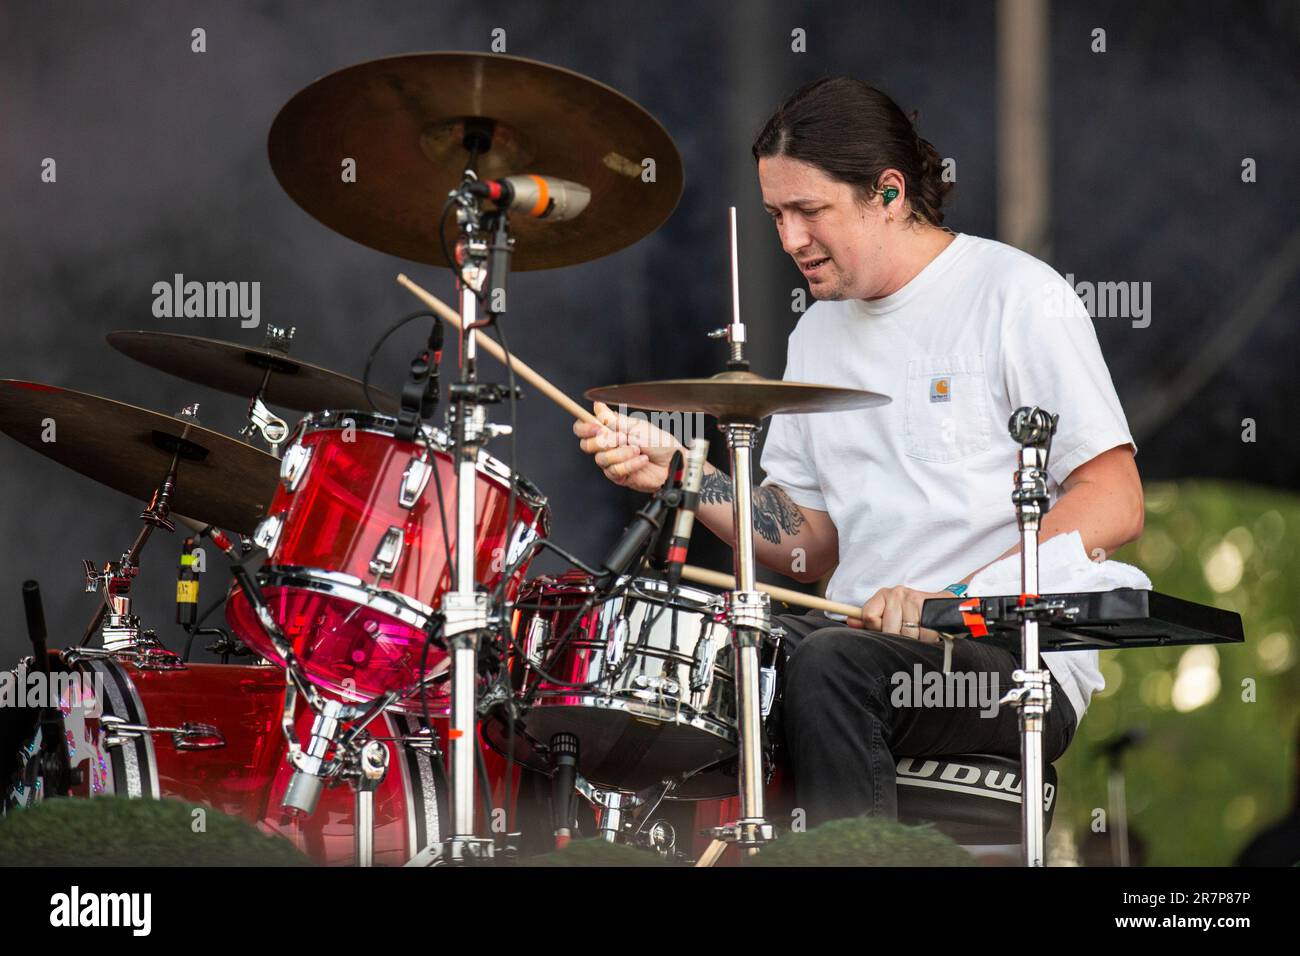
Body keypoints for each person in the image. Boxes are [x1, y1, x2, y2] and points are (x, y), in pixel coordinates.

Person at [574, 77, 1144, 827]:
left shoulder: (1014, 296)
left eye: (810, 211)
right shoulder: (817, 334)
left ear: (888, 193)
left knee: (827, 666)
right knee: (721, 654)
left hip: (1003, 657)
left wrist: (956, 600)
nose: (790, 240)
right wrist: (685, 474)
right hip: (856, 639)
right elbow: (807, 543)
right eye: (777, 215)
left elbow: (1115, 499)